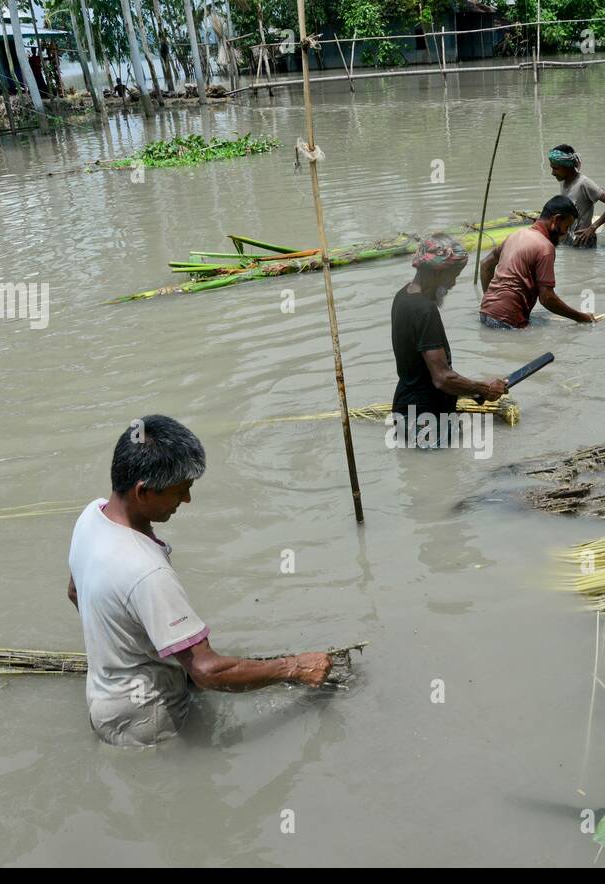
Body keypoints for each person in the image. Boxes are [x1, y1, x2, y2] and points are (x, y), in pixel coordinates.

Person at [67, 415, 333, 747]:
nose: (187, 500)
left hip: (103, 700)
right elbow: (207, 672)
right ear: (143, 492)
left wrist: (125, 645)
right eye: (181, 490)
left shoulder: (92, 516)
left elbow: (75, 591)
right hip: (146, 722)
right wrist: (295, 668)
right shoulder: (146, 572)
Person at [392, 235, 507, 444]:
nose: (453, 283)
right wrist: (484, 389)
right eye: (453, 275)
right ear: (437, 273)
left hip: (406, 411)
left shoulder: (402, 296)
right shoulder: (425, 310)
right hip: (425, 421)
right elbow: (442, 378)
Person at [478, 196, 596, 329]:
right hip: (507, 321)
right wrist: (581, 317)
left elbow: (485, 264)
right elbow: (547, 298)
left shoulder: (516, 235)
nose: (565, 232)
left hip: (485, 313)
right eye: (567, 226)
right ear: (556, 219)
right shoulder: (545, 247)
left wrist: (491, 301)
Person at [548, 144, 605, 248]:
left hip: (584, 242)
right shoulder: (564, 179)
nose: (553, 173)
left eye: (556, 168)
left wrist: (593, 228)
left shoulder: (584, 183)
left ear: (567, 166)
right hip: (569, 239)